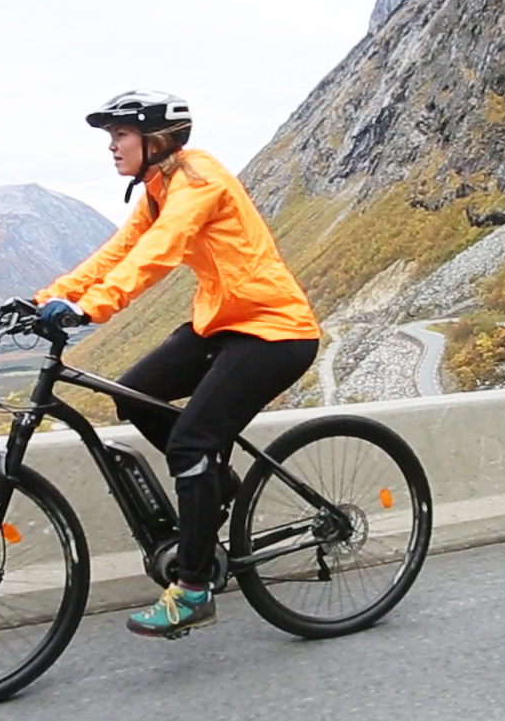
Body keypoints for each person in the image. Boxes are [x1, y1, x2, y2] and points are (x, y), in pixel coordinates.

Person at [33, 90, 320, 637]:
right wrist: (48, 296)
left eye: (120, 135)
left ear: (155, 139)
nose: (112, 146)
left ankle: (193, 590)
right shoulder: (158, 188)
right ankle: (216, 483)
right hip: (222, 322)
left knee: (190, 443)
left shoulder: (197, 178)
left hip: (274, 331)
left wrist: (91, 308)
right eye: (112, 137)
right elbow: (119, 252)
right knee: (133, 394)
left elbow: (160, 250)